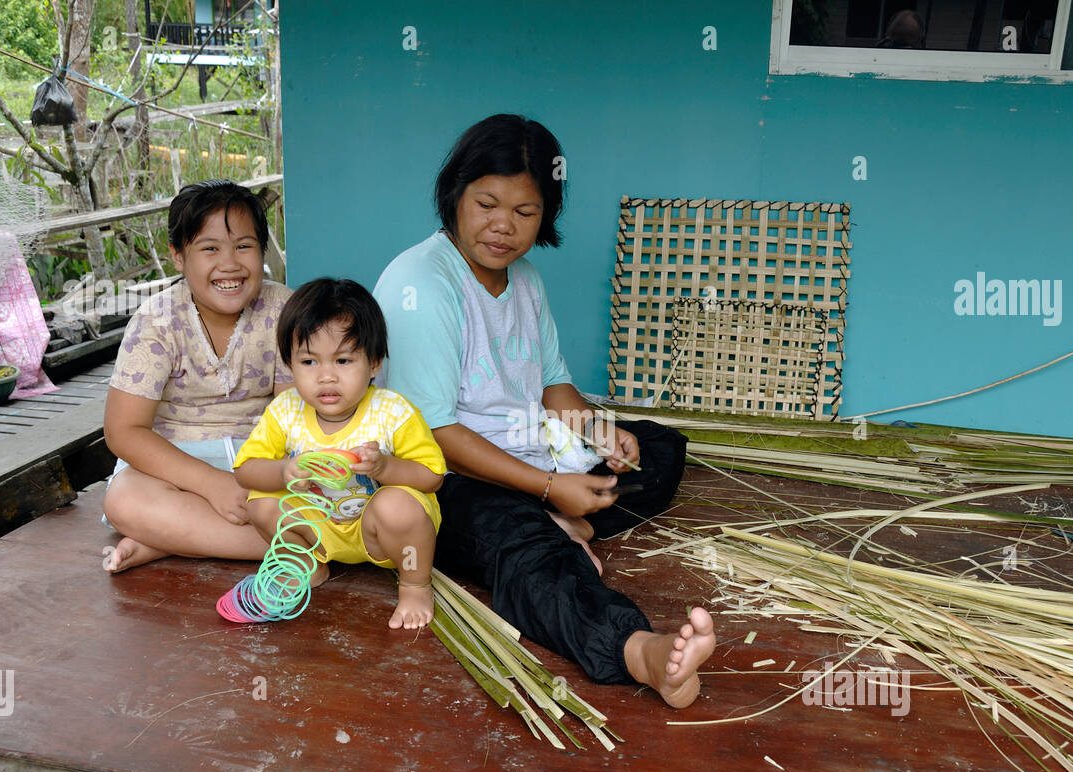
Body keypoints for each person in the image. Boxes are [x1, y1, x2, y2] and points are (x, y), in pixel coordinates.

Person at [375, 114, 716, 708]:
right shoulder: (422, 283)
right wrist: (551, 486)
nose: (502, 226)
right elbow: (432, 433)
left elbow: (553, 386)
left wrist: (600, 432)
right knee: (524, 551)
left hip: (531, 456)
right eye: (486, 204)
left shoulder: (525, 280)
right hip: (445, 481)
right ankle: (641, 652)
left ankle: (562, 521)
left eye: (525, 213)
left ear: (545, 216)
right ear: (455, 193)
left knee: (659, 449)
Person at [228, 278, 445, 629]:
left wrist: (385, 467)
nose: (326, 377)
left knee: (398, 505)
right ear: (290, 364)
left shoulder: (393, 412)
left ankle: (415, 584)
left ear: (374, 363)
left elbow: (432, 477)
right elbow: (246, 470)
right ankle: (307, 565)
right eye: (309, 362)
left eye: (343, 360)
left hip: (379, 535)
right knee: (261, 500)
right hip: (320, 530)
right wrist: (284, 471)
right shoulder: (285, 411)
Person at [101, 180, 293, 572]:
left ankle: (169, 540)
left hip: (263, 455)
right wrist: (213, 484)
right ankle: (296, 547)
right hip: (178, 460)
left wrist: (272, 473)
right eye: (209, 248)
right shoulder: (156, 321)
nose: (230, 264)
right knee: (124, 499)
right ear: (177, 255)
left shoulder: (283, 309)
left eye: (244, 246)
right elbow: (123, 432)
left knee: (336, 486)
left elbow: (296, 415)